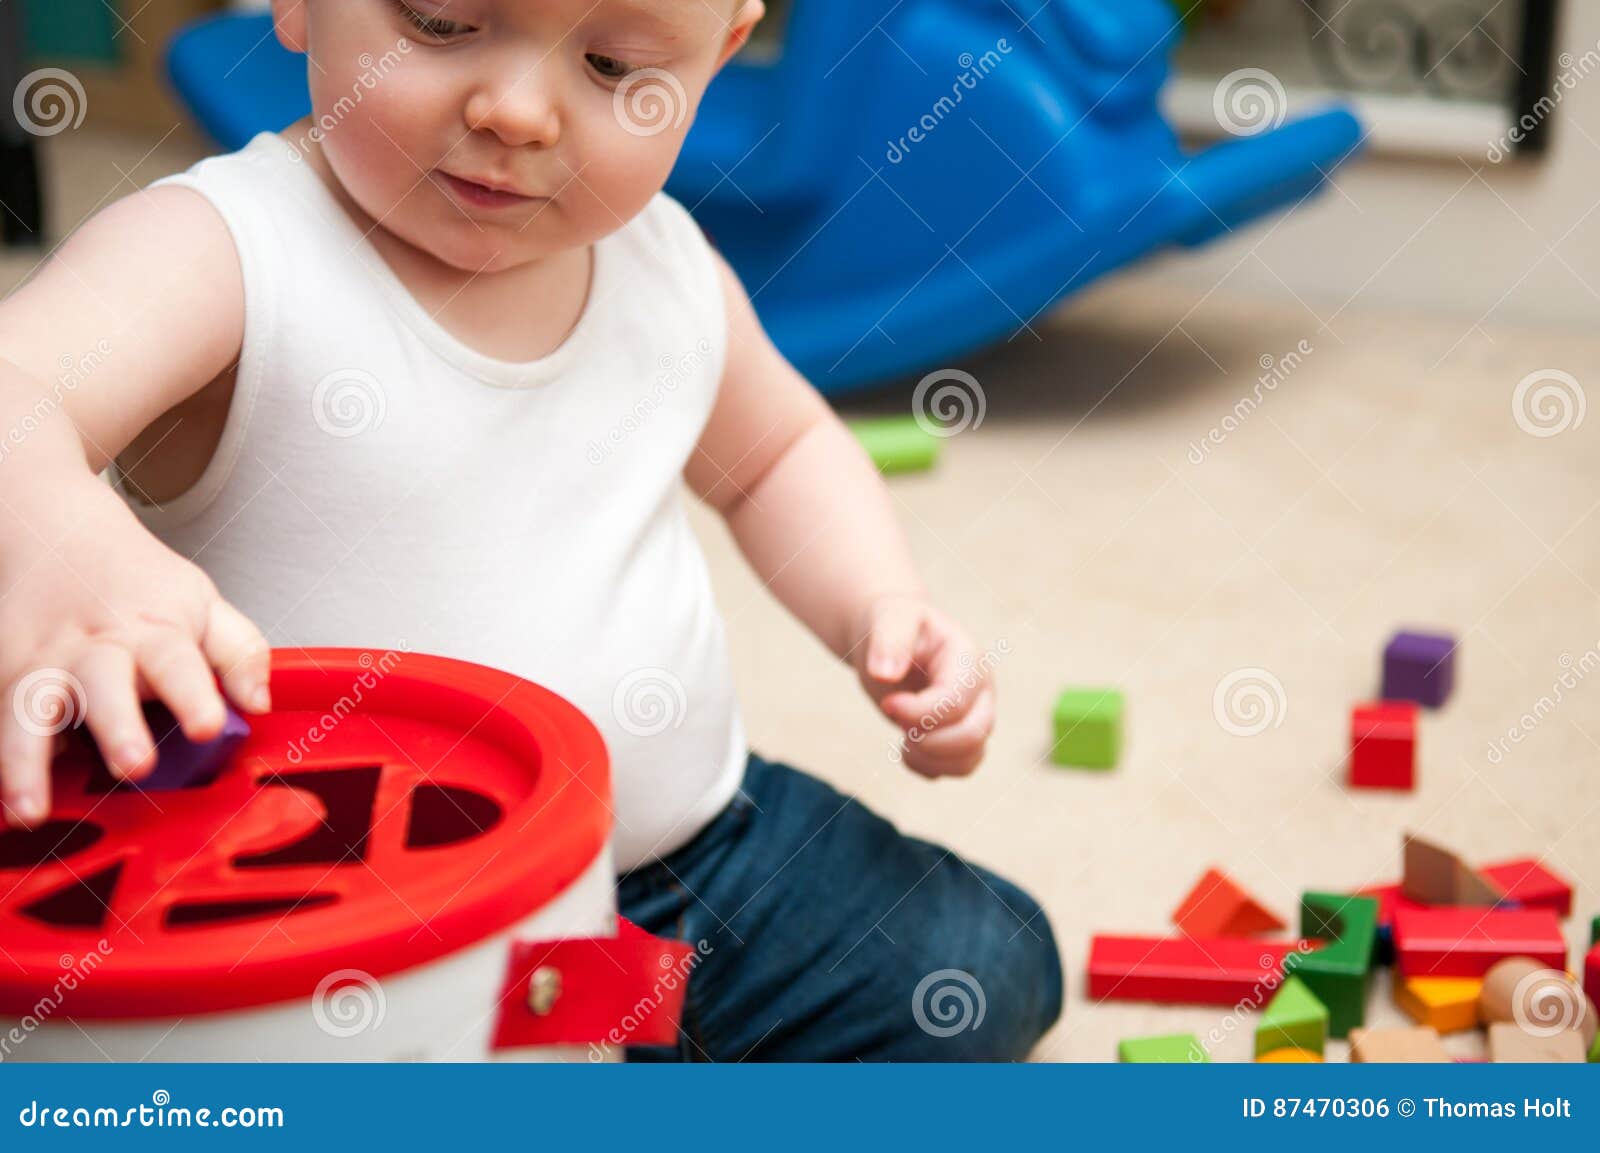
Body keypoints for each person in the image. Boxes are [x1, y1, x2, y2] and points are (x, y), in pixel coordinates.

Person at [0, 0, 1061, 1060]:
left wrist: (882, 606)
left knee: (982, 958)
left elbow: (778, 451)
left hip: (681, 861)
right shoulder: (223, 249)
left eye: (611, 64)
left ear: (717, 57)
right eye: (444, 22)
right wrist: (75, 550)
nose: (515, 112)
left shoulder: (667, 262)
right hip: (336, 934)